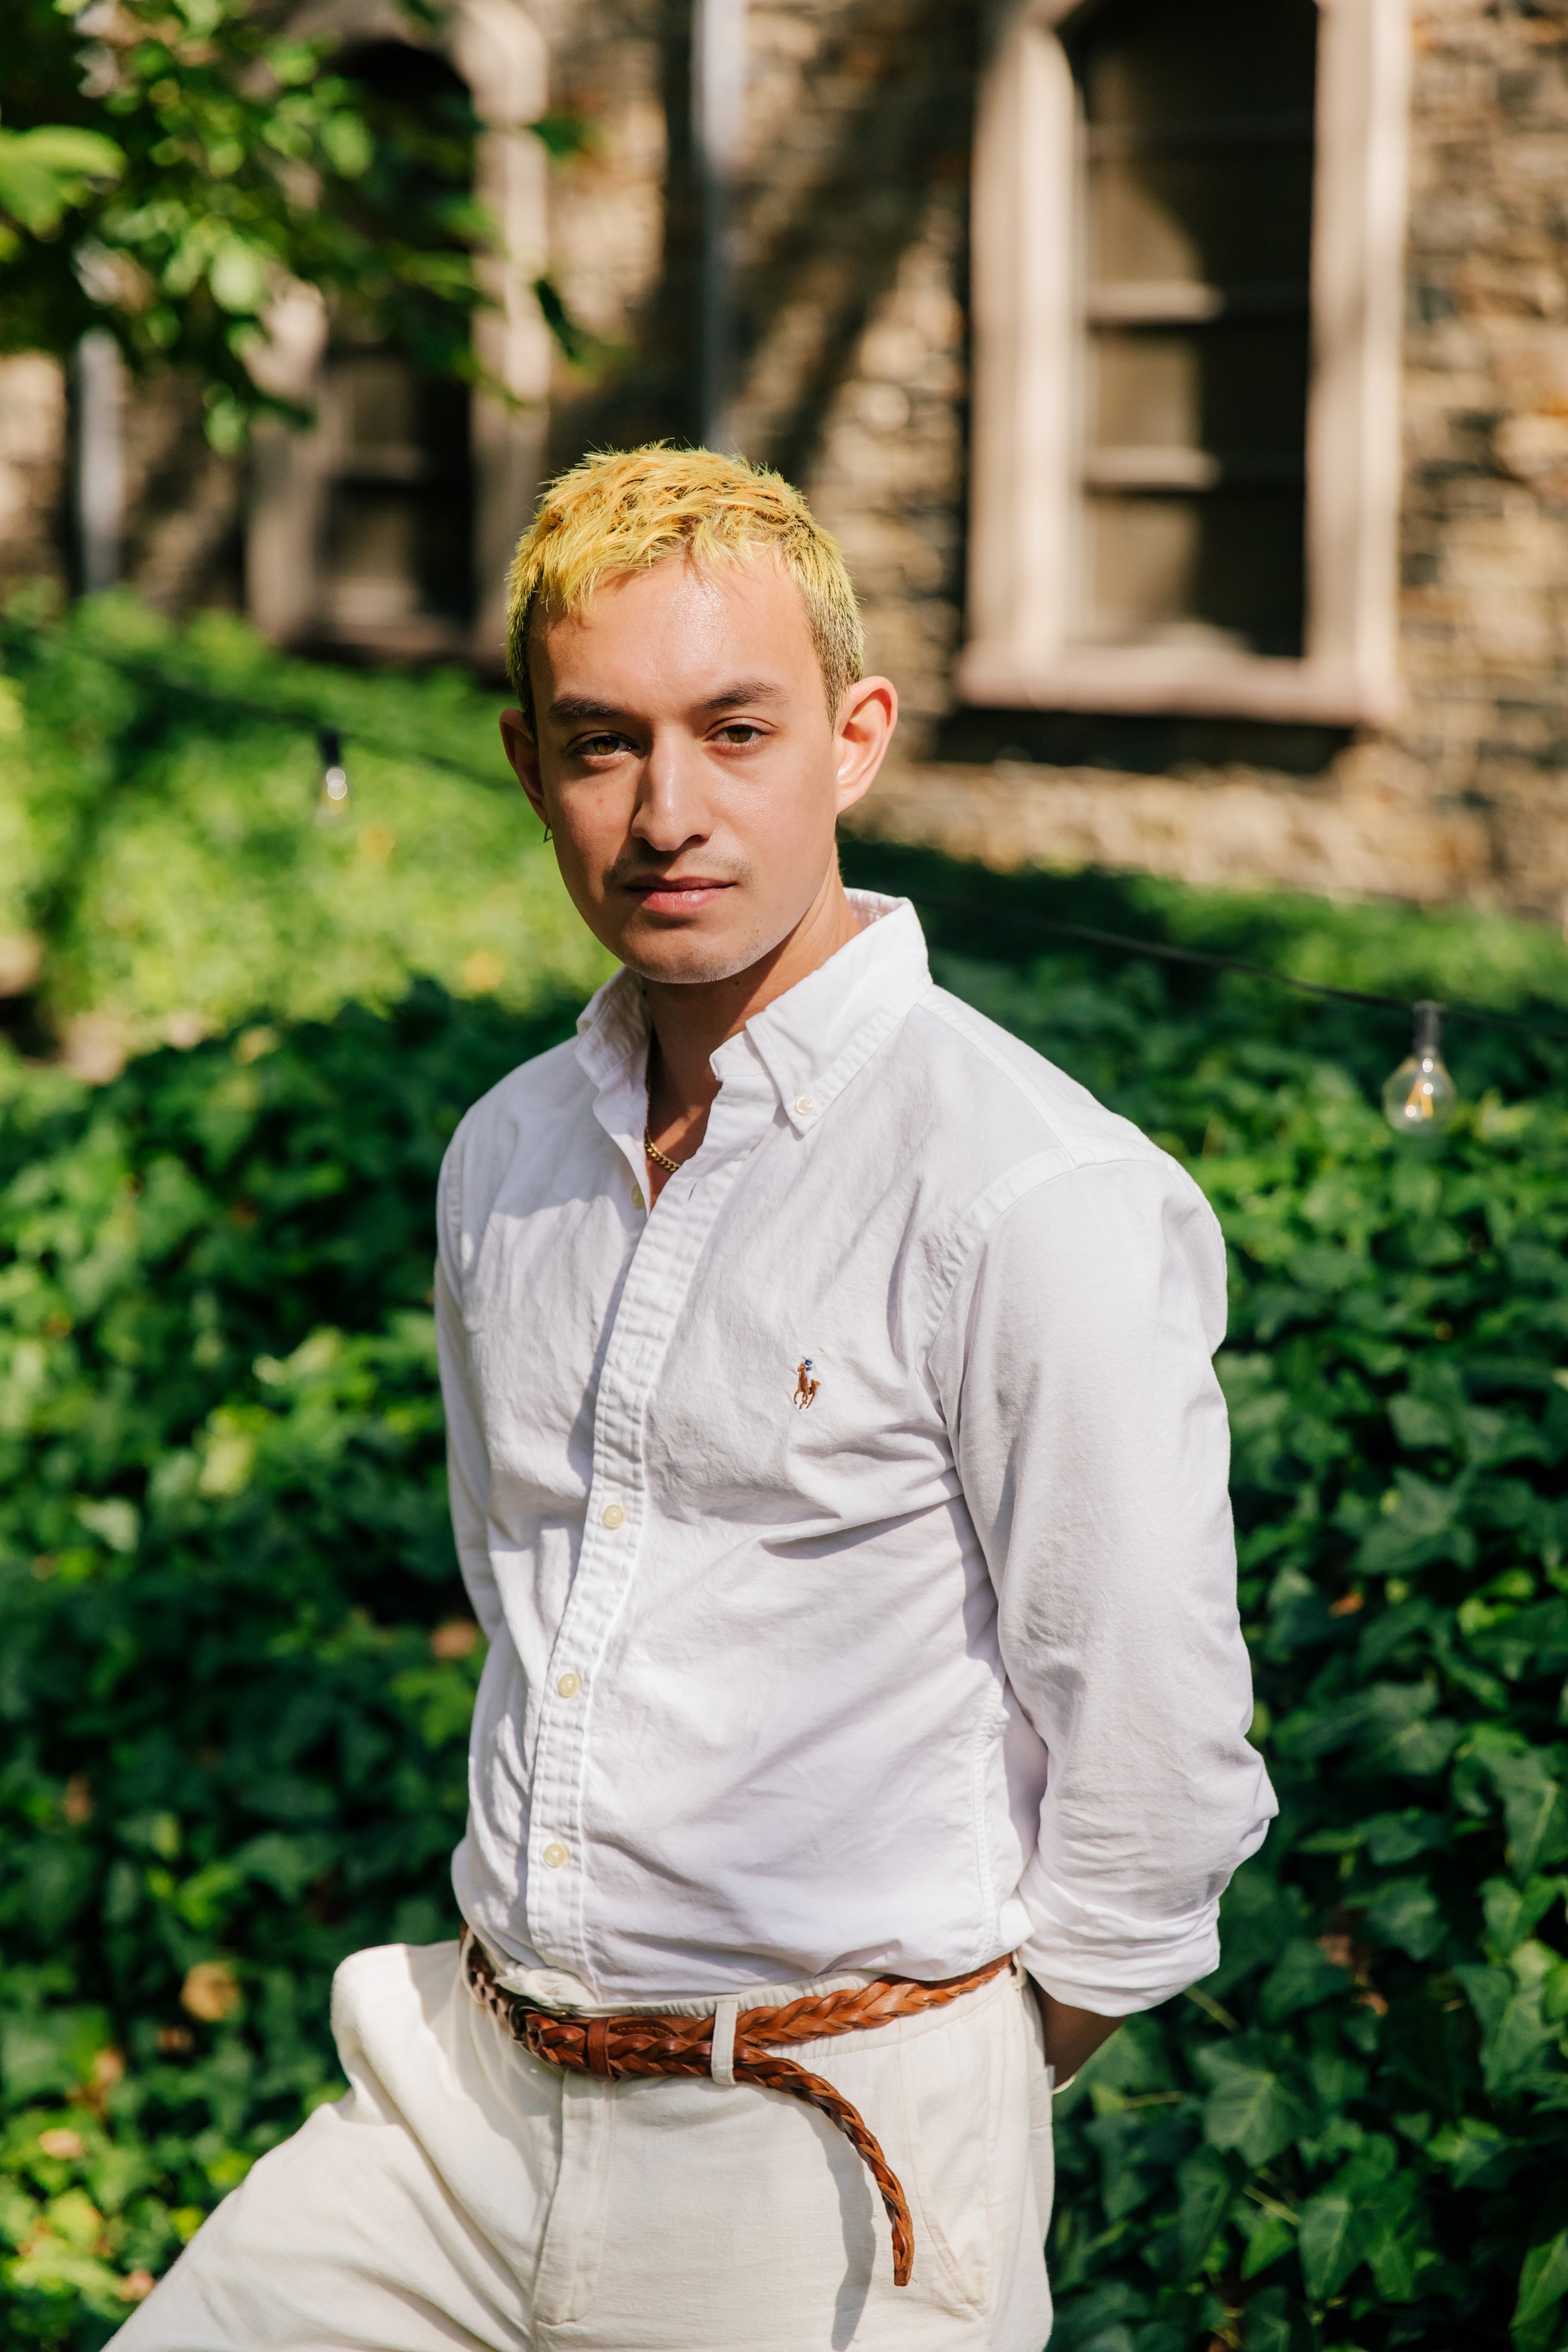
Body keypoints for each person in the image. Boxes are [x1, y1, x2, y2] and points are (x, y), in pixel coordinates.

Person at [115, 445, 1275, 2352]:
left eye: (735, 730)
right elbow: (531, 1593)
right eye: (601, 744)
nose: (667, 810)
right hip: (459, 2109)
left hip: (818, 2157)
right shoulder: (507, 1155)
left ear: (854, 738)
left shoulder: (1026, 1191)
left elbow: (1155, 1761)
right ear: (525, 765)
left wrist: (953, 2075)